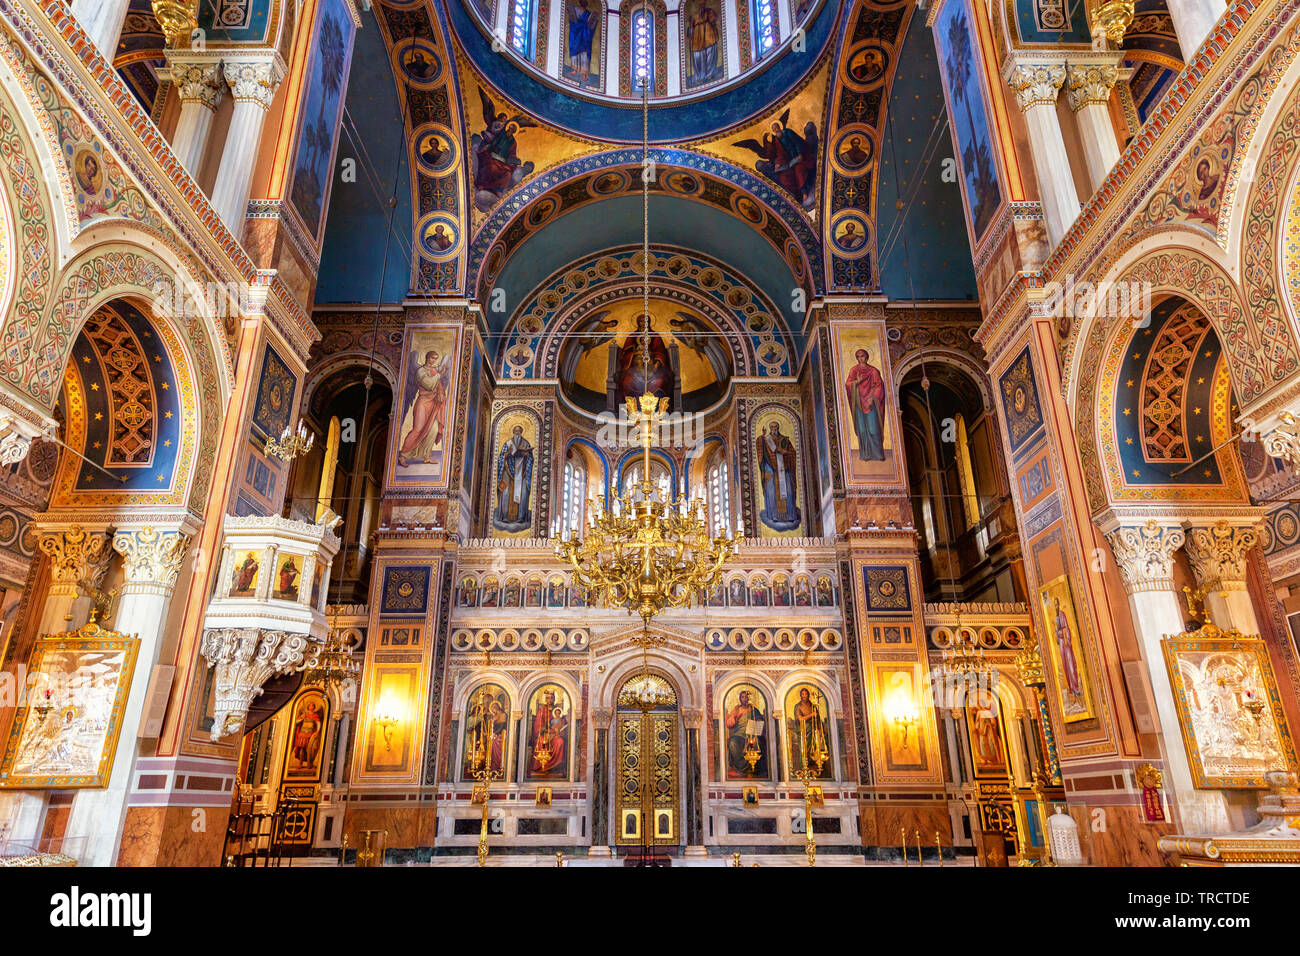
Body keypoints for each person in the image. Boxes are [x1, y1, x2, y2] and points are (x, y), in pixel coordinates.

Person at [399, 349, 450, 466]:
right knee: (418, 429)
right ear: (427, 357)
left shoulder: (433, 371)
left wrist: (441, 393)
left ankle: (426, 455)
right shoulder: (420, 371)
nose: (434, 361)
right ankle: (403, 455)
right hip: (423, 403)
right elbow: (428, 384)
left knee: (434, 429)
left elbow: (439, 386)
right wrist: (440, 374)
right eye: (432, 358)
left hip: (433, 403)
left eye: (436, 358)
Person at [844, 347, 885, 461]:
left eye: (862, 356)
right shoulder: (854, 370)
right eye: (858, 357)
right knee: (862, 429)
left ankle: (877, 454)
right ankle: (865, 454)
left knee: (873, 428)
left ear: (867, 357)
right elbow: (848, 384)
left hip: (870, 402)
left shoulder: (873, 371)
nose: (861, 359)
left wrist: (873, 397)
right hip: (858, 402)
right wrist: (857, 382)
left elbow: (879, 386)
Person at [494, 425, 534, 530]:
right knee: (506, 492)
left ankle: (521, 517)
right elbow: (501, 457)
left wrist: (526, 454)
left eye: (519, 432)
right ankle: (505, 516)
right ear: (513, 432)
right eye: (516, 432)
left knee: (523, 493)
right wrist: (507, 454)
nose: (517, 434)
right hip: (508, 470)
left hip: (522, 471)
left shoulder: (525, 443)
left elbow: (530, 457)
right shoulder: (508, 443)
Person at [725, 689, 765, 777]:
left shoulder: (754, 710)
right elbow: (728, 723)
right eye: (742, 697)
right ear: (740, 699)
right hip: (739, 734)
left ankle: (753, 768)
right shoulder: (736, 709)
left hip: (751, 734)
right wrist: (735, 718)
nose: (744, 699)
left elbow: (760, 720)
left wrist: (758, 720)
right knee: (732, 742)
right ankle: (740, 769)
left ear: (748, 698)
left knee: (758, 742)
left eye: (746, 697)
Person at [568, 0, 596, 83]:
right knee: (575, 52)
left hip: (584, 36)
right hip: (576, 34)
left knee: (584, 54)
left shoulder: (588, 13)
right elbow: (572, 20)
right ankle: (575, 69)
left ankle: (584, 74)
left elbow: (590, 24)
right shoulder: (575, 10)